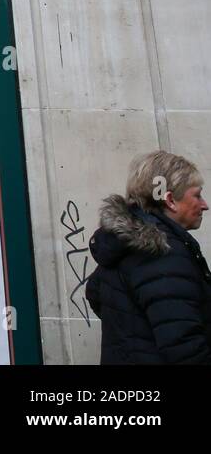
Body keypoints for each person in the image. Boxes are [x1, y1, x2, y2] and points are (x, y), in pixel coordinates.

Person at [85, 151, 211, 364]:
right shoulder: (162, 254)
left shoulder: (124, 246)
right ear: (170, 200)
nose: (204, 205)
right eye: (197, 195)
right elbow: (184, 346)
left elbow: (95, 293)